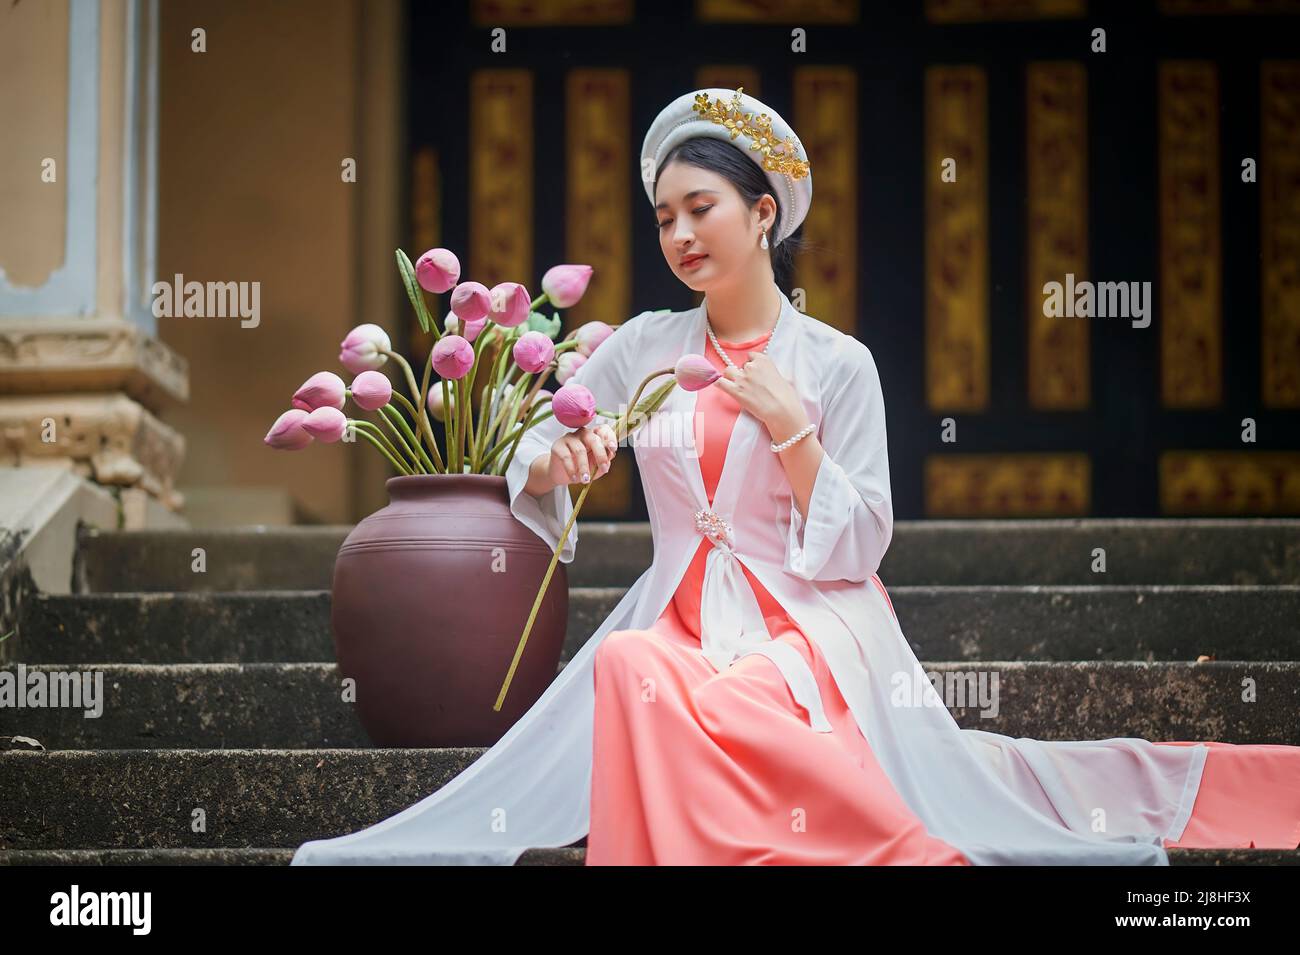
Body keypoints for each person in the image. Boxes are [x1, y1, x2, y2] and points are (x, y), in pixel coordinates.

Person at [292, 88, 1300, 866]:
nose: (680, 235)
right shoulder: (643, 346)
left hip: (810, 625)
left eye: (702, 208)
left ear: (761, 212)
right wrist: (557, 458)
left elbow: (863, 539)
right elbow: (536, 444)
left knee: (737, 697)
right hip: (677, 615)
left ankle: (880, 841)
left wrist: (792, 433)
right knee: (624, 668)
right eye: (663, 217)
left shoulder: (834, 363)